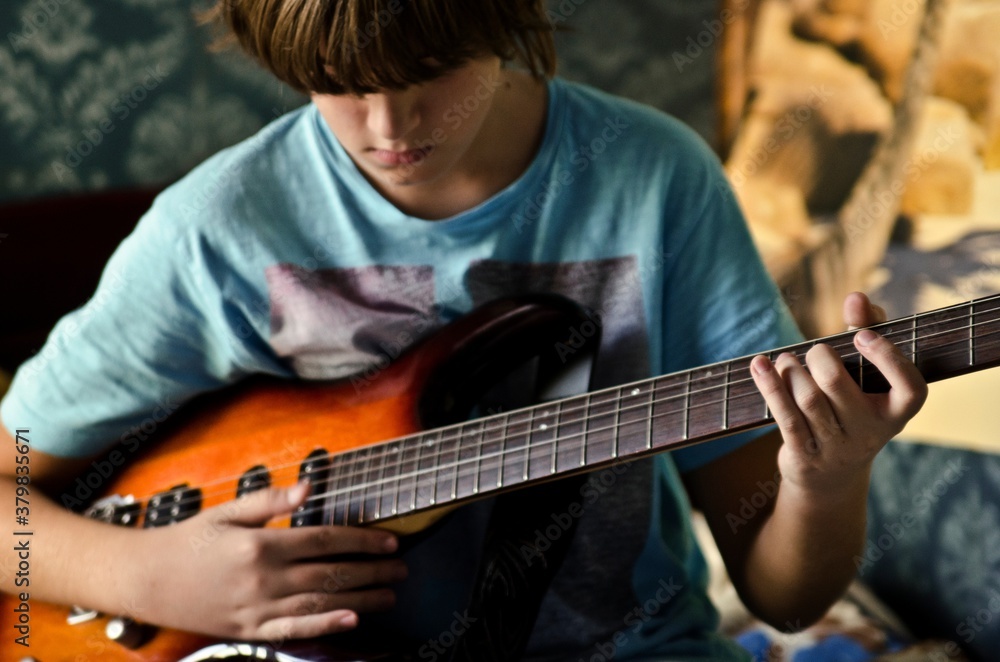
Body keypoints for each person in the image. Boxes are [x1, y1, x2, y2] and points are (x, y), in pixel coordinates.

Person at [0, 0, 927, 659]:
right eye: (339, 86)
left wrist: (827, 480)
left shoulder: (655, 178)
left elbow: (786, 600)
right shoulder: (220, 228)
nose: (389, 127)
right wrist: (146, 579)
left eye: (429, 75)